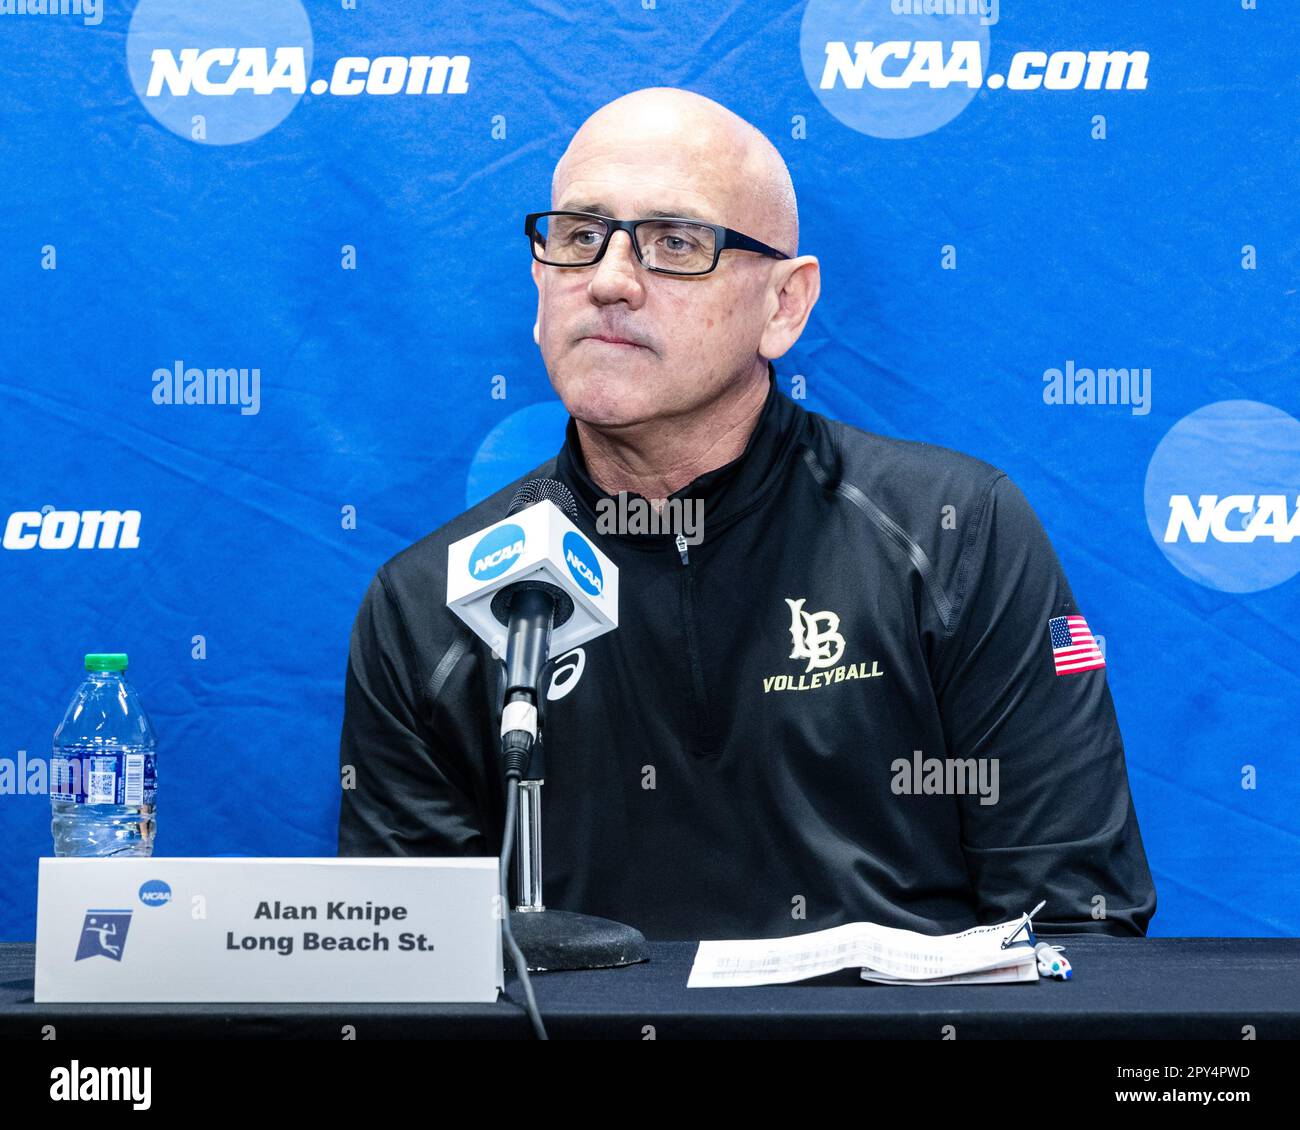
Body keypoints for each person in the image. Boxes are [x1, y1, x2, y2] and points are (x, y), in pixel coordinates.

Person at [337, 86, 1156, 941]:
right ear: (540, 276)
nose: (611, 280)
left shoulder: (956, 534)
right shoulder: (428, 603)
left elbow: (1074, 928)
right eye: (580, 237)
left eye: (674, 243)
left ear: (785, 305)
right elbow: (410, 973)